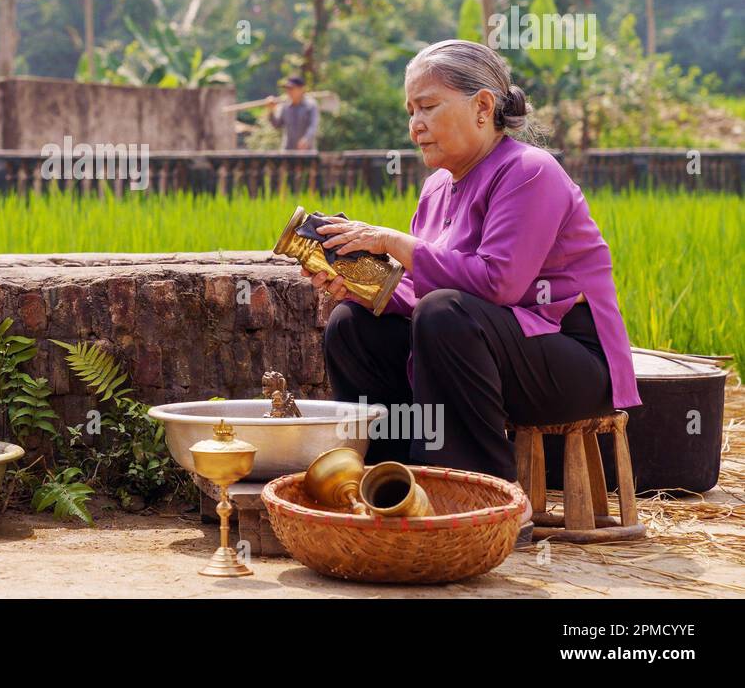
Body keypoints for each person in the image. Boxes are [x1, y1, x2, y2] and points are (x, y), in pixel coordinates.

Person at [306, 39, 640, 488]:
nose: (415, 126)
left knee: (446, 313)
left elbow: (497, 284)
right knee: (353, 324)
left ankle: (474, 496)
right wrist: (366, 287)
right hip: (480, 343)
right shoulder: (438, 187)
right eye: (410, 111)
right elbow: (427, 288)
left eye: (427, 107)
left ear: (483, 106)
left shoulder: (529, 170)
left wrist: (391, 241)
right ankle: (389, 484)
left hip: (570, 359)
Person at [264, 75, 319, 151]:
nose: (289, 91)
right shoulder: (285, 106)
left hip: (307, 152)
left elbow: (313, 126)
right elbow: (277, 125)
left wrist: (306, 139)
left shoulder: (311, 105)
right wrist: (271, 110)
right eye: (287, 89)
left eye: (291, 88)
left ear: (301, 89)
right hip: (288, 151)